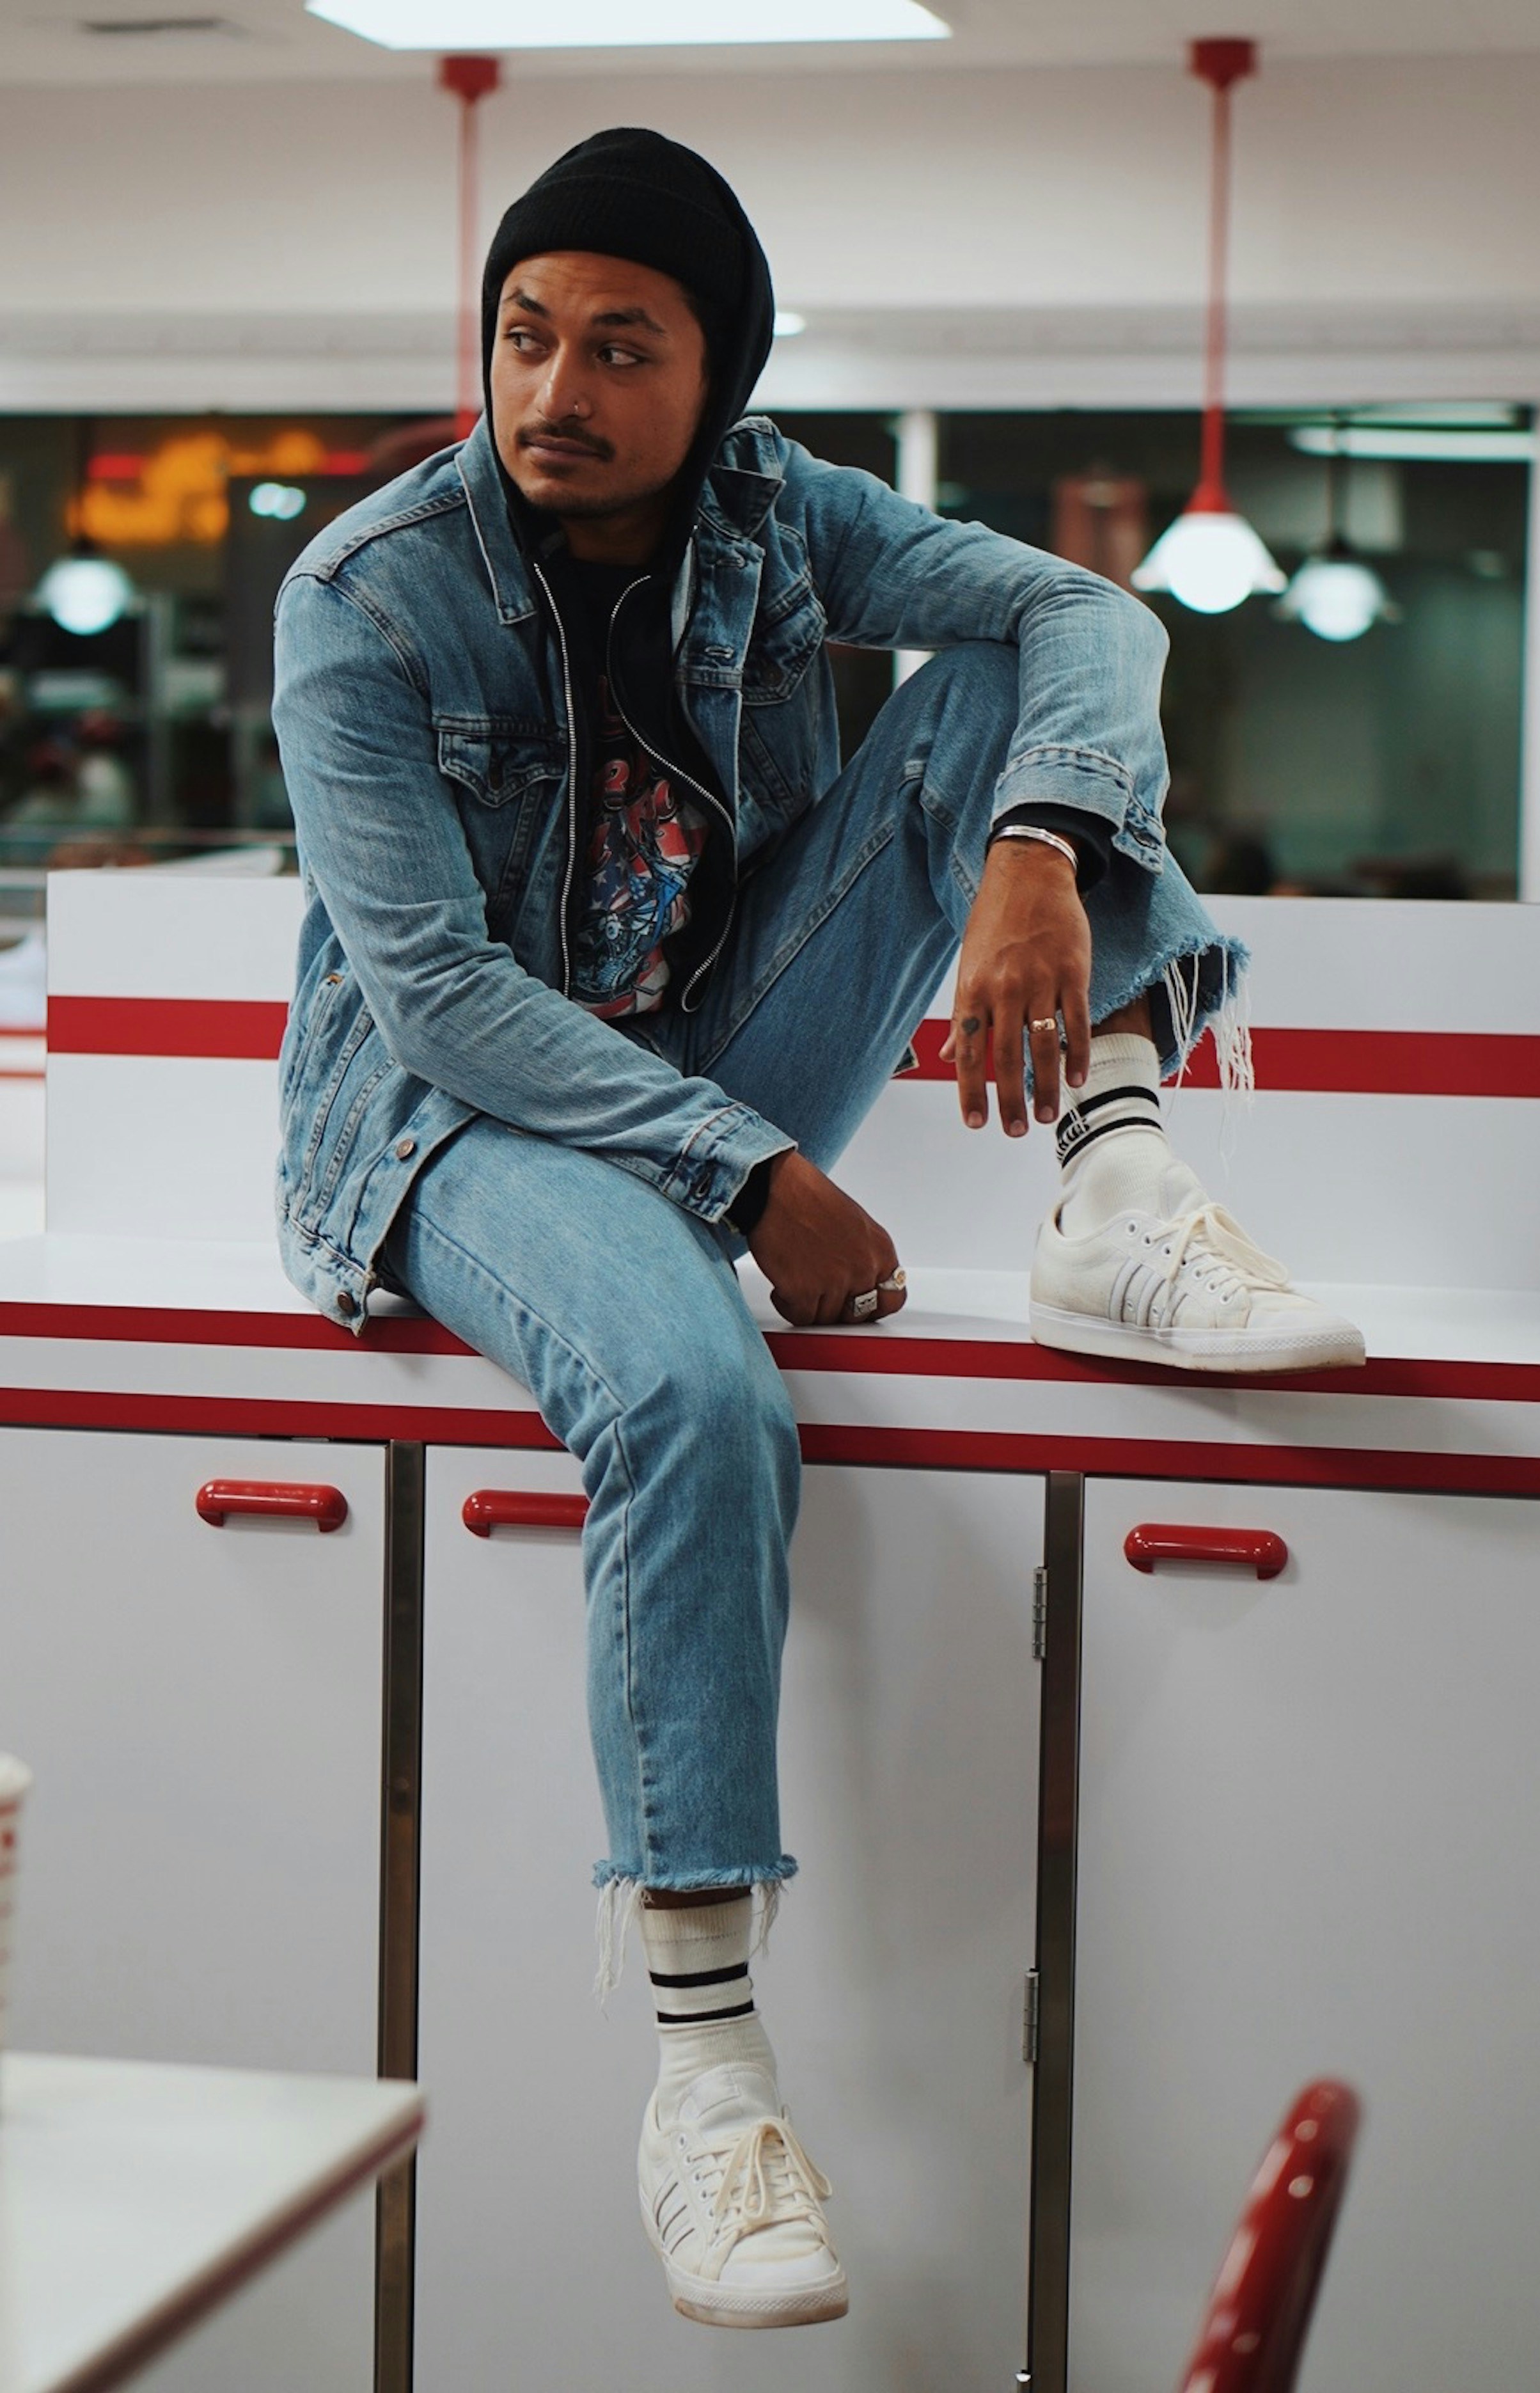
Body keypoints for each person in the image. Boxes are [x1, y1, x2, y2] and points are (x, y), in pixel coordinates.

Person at [271, 127, 1365, 2332]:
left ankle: (1116, 1181)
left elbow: (1089, 608)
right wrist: (744, 1178)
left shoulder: (781, 509)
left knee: (1008, 703)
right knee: (683, 1379)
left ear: (719, 377)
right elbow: (445, 1000)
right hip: (447, 1126)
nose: (549, 385)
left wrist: (1041, 843)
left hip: (712, 1064)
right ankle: (706, 2084)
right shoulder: (364, 597)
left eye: (618, 344)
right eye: (519, 331)